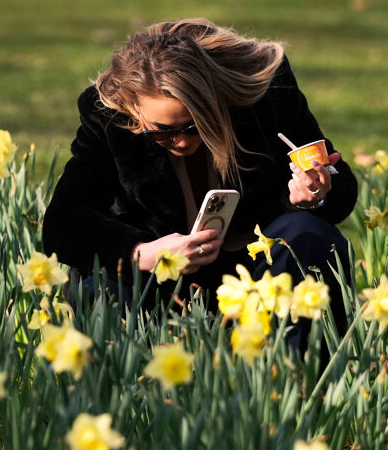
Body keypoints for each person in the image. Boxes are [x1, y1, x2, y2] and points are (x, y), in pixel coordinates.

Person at [42, 18, 358, 352]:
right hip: (157, 278)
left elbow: (340, 185)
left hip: (253, 271)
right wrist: (140, 253)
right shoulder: (109, 117)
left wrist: (313, 194)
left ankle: (293, 382)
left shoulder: (263, 96)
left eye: (194, 127)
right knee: (97, 288)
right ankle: (129, 396)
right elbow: (63, 223)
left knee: (309, 235)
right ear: (134, 109)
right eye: (162, 132)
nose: (179, 141)